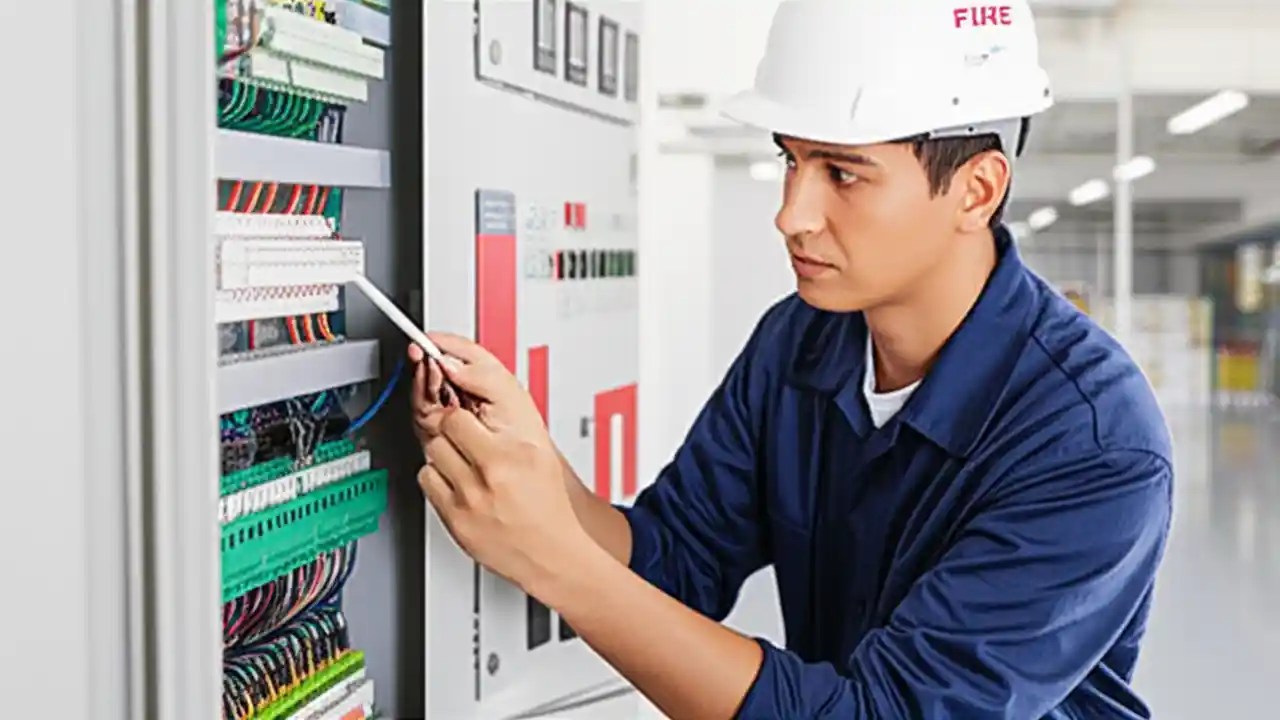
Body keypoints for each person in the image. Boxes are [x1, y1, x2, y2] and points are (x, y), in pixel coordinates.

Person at [408, 0, 1174, 717]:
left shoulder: (1093, 440)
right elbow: (675, 559)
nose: (791, 215)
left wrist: (555, 563)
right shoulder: (802, 342)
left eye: (843, 173)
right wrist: (537, 468)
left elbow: (880, 713)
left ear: (976, 191)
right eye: (791, 160)